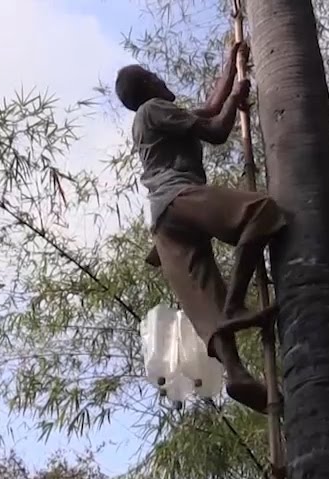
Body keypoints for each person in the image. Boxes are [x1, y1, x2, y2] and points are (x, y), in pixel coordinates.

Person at [115, 40, 287, 415]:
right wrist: (237, 98)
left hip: (163, 225)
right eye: (153, 76)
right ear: (147, 87)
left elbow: (209, 109)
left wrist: (232, 65)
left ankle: (237, 373)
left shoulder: (157, 119)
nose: (161, 78)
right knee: (261, 212)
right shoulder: (153, 109)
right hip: (179, 199)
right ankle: (237, 304)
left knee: (204, 296)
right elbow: (216, 128)